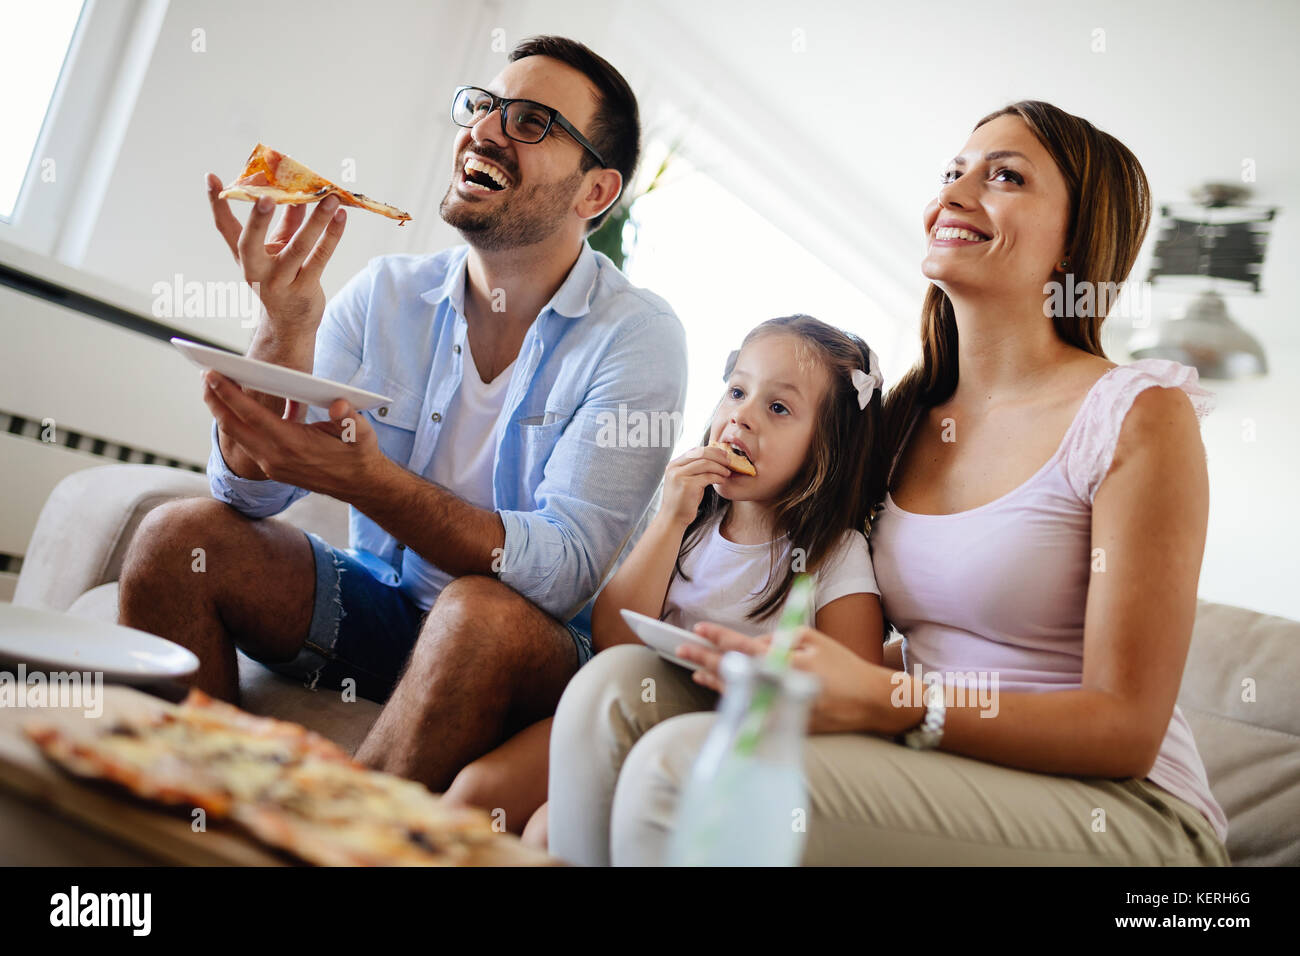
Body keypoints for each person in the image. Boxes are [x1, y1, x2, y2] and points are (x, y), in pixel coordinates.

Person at [547, 100, 1231, 866]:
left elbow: (1125, 729)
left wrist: (889, 701)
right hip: (944, 756)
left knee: (680, 773)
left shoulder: (1139, 414)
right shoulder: (909, 419)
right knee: (612, 693)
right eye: (953, 172)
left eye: (1005, 176)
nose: (957, 194)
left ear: (1076, 241)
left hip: (1127, 812)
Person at [117, 36, 687, 799]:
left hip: (523, 650)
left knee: (475, 612)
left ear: (595, 193)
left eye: (530, 122)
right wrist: (282, 329)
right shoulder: (386, 293)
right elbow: (246, 495)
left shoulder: (638, 336)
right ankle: (190, 819)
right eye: (483, 107)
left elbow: (562, 574)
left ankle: (308, 847)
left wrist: (372, 483)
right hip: (385, 608)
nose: (485, 130)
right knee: (174, 538)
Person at [507, 315, 886, 848]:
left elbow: (857, 690)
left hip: (723, 741)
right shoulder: (689, 522)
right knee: (476, 791)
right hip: (635, 706)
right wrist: (669, 519)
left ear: (828, 448)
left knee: (549, 831)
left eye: (777, 408)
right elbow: (615, 641)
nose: (742, 417)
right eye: (737, 391)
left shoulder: (835, 554)